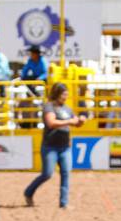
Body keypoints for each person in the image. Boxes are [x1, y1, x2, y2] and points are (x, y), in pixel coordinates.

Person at [23, 81, 83, 209]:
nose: (65, 97)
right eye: (63, 94)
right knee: (47, 173)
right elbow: (51, 123)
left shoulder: (67, 109)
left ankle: (64, 203)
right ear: (57, 94)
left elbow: (75, 122)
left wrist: (80, 121)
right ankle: (28, 192)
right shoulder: (49, 107)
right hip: (50, 146)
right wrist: (69, 121)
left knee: (66, 173)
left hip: (65, 146)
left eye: (66, 94)